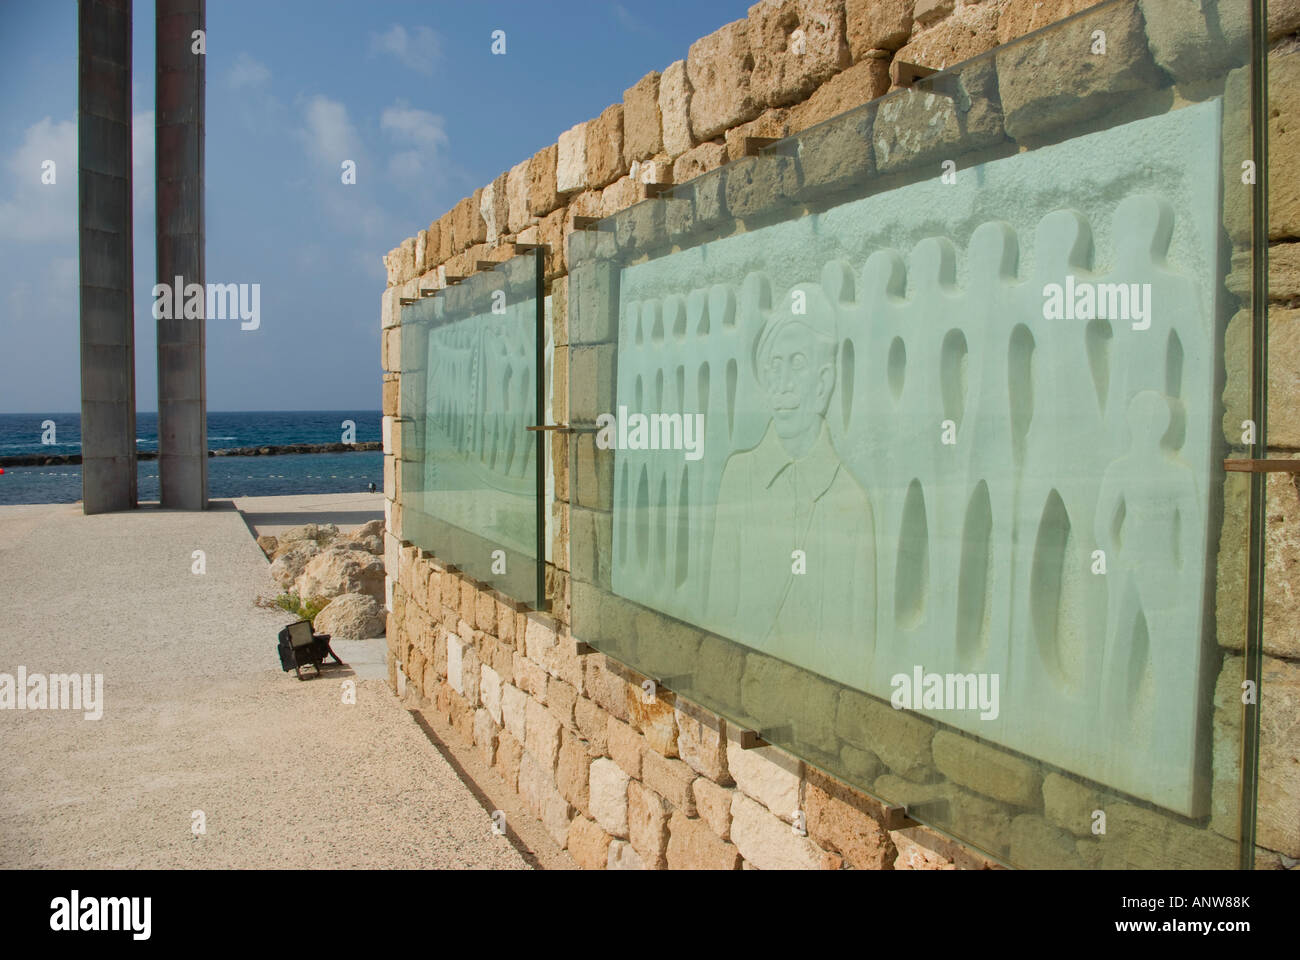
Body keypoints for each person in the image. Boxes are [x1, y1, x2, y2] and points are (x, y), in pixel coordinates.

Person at [706, 284, 876, 689]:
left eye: (796, 364)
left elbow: (862, 652)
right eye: (774, 366)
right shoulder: (739, 479)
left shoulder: (852, 502)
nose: (781, 384)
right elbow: (716, 616)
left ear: (823, 383)